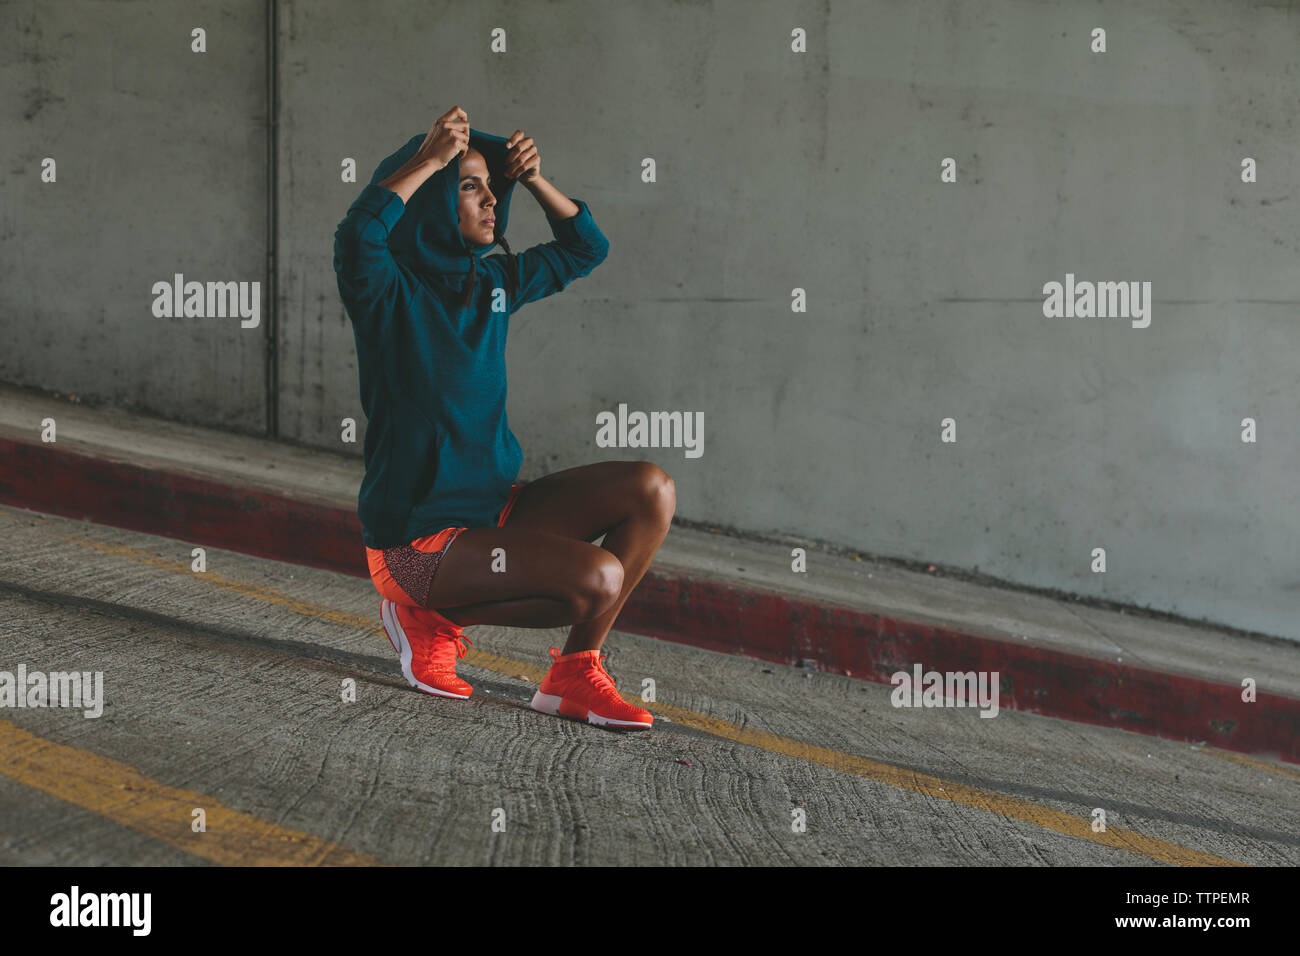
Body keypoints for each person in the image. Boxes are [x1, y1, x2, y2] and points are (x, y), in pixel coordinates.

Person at [333, 107, 674, 730]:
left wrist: (536, 179)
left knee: (650, 488)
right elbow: (357, 235)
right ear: (433, 199)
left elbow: (585, 247)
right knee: (598, 579)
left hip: (493, 513)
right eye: (470, 185)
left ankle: (574, 673)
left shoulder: (493, 281)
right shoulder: (386, 291)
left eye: (493, 185)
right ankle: (424, 616)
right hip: (417, 541)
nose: (492, 198)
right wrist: (430, 159)